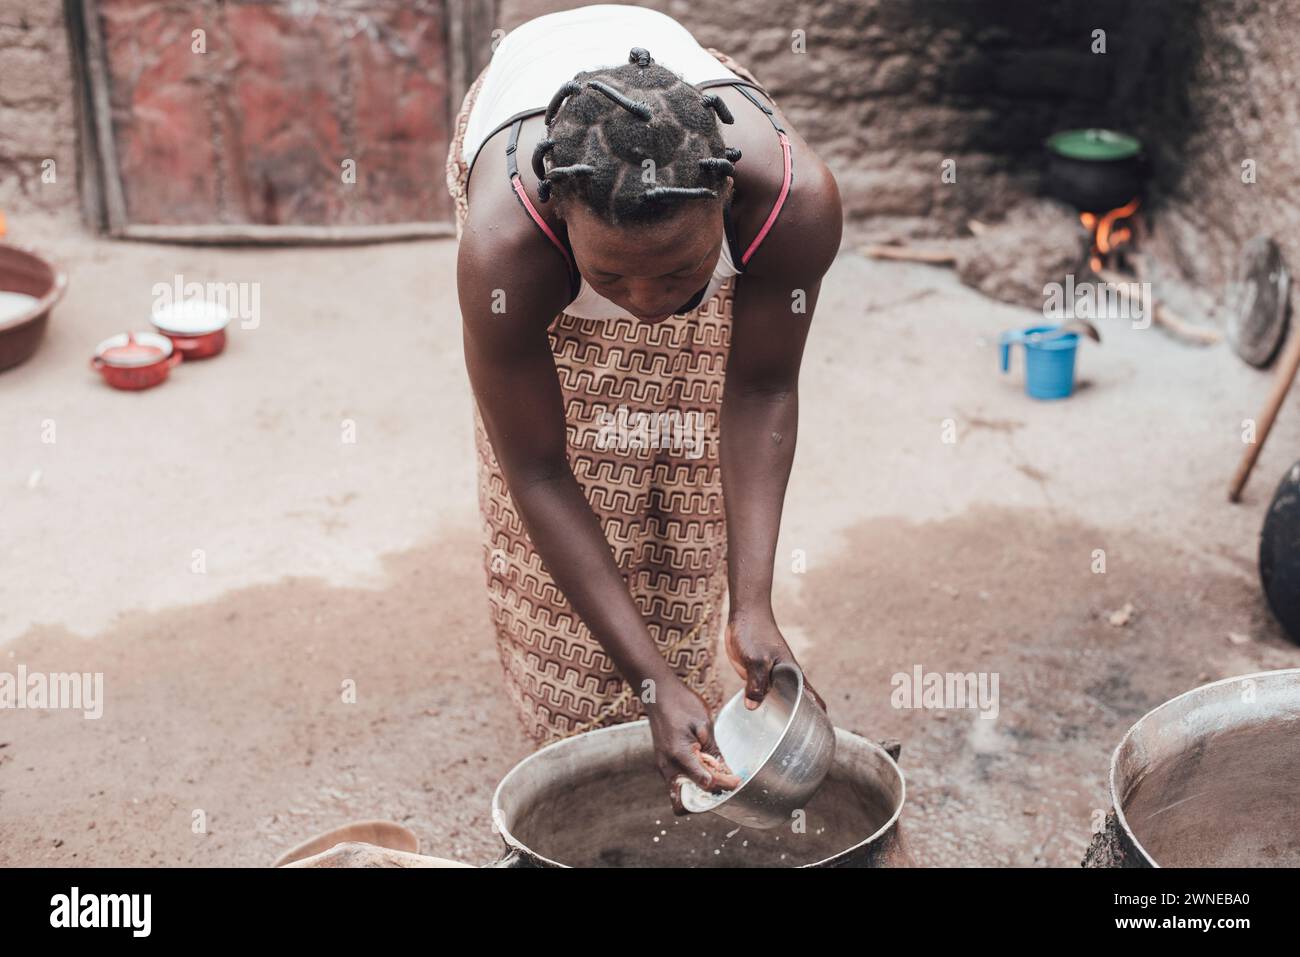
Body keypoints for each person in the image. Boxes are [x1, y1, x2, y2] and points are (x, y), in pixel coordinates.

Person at [445, 3, 840, 811]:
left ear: (726, 200)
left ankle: (696, 676)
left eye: (679, 272)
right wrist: (648, 683)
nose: (649, 304)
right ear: (560, 217)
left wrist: (754, 603)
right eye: (615, 278)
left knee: (684, 489)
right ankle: (599, 737)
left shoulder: (791, 207)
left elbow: (763, 386)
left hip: (673, 133)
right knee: (561, 544)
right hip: (531, 147)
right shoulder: (504, 251)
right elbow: (538, 465)